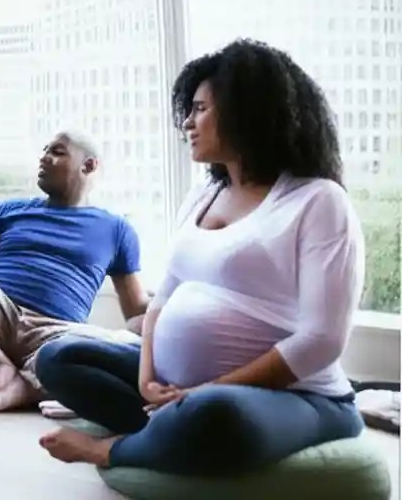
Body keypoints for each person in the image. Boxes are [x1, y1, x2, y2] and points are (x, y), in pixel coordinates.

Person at [36, 39, 366, 476]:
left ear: (247, 111)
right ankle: (171, 428)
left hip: (297, 396)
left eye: (200, 109)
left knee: (217, 416)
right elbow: (161, 303)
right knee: (57, 358)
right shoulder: (202, 195)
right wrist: (147, 381)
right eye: (187, 111)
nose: (187, 122)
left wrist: (203, 390)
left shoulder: (318, 201)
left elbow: (321, 340)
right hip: (181, 387)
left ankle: (114, 449)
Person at [0, 132, 149, 414]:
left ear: (89, 166)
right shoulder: (8, 210)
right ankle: (4, 369)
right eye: (44, 150)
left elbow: (136, 311)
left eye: (58, 152)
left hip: (53, 331)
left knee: (121, 346)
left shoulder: (117, 230)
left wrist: (170, 318)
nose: (44, 157)